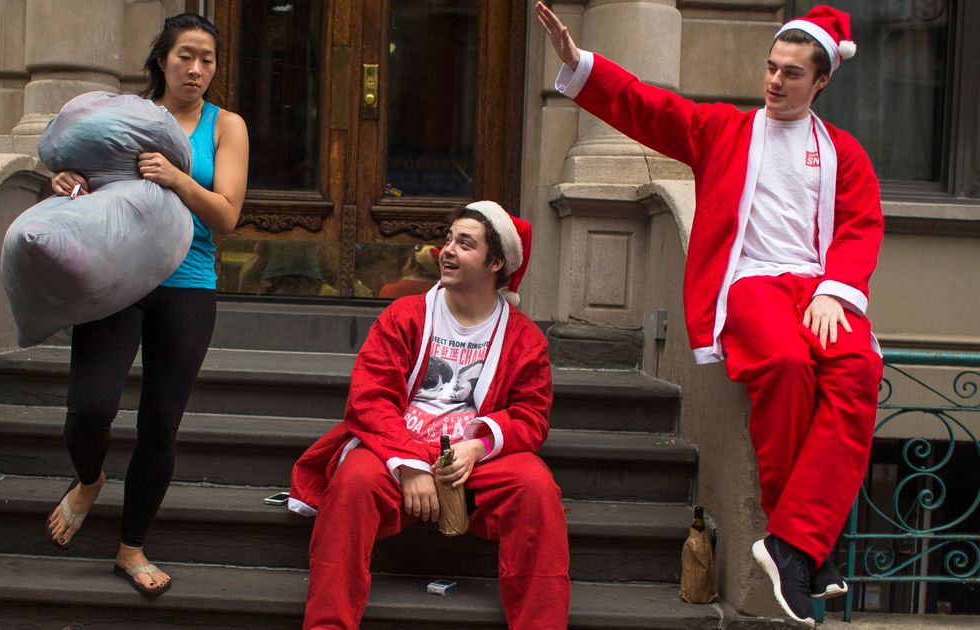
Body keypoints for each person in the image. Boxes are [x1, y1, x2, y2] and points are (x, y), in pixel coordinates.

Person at [536, 3, 882, 627]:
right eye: (771, 68)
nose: (775, 81)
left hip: (820, 289)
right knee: (782, 364)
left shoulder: (845, 153)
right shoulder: (722, 129)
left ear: (822, 81)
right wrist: (579, 64)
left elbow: (860, 228)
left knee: (857, 372)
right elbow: (647, 106)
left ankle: (791, 544)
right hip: (750, 284)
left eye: (792, 74)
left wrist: (837, 289)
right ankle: (806, 543)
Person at [288, 201, 570, 629]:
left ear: (496, 262)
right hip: (397, 451)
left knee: (536, 487)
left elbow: (531, 416)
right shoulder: (405, 315)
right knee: (353, 482)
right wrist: (409, 464)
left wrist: (477, 445)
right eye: (448, 240)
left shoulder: (523, 337)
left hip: (473, 463)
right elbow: (370, 398)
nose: (447, 251)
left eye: (465, 243)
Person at [45, 12, 249, 597]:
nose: (197, 68)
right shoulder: (124, 116)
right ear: (162, 60)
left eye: (207, 58)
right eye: (186, 55)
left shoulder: (225, 126)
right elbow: (88, 179)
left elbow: (227, 215)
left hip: (187, 284)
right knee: (90, 406)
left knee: (160, 422)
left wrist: (177, 178)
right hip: (118, 275)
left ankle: (130, 548)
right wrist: (67, 183)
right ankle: (89, 478)